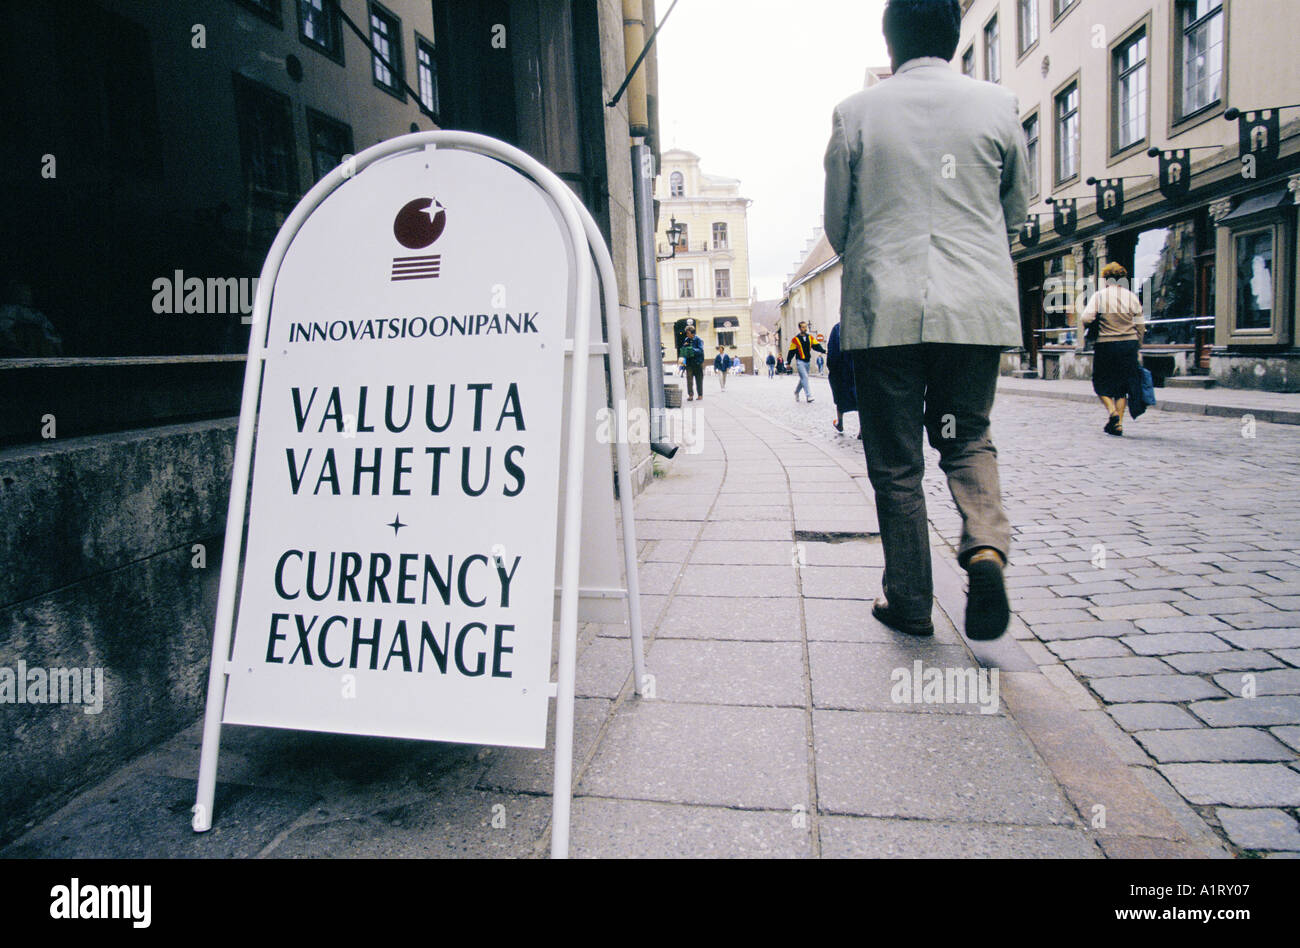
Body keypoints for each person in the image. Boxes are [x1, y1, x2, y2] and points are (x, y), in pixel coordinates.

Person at [823, 0, 1029, 641]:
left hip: (887, 312)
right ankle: (986, 549)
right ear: (955, 35)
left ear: (890, 45)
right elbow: (1015, 212)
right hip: (972, 308)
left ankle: (910, 601)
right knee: (967, 437)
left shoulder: (856, 113)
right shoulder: (999, 106)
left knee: (896, 465)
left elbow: (838, 225)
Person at [1081, 262, 1145, 436]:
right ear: (1122, 278)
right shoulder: (1132, 297)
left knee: (1101, 382)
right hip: (1128, 345)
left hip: (1106, 344)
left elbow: (1086, 318)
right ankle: (1119, 425)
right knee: (1122, 386)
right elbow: (1140, 324)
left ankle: (1113, 413)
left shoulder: (1100, 296)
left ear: (1105, 279)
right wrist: (1138, 343)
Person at [826, 322, 861, 438]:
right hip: (857, 368)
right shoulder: (860, 326)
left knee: (840, 395)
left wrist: (831, 368)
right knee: (861, 397)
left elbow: (832, 352)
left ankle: (840, 422)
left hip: (841, 369)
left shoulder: (837, 328)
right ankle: (863, 428)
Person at [786, 321, 826, 402]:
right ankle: (809, 396)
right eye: (803, 327)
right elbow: (791, 351)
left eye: (806, 327)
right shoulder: (795, 339)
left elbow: (816, 346)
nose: (805, 328)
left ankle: (796, 392)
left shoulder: (810, 338)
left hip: (807, 361)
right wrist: (788, 362)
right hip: (800, 361)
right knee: (805, 377)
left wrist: (824, 351)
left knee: (803, 379)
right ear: (800, 328)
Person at [680, 323, 705, 401]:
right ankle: (690, 395)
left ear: (692, 333)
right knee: (689, 380)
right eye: (686, 333)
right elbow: (684, 348)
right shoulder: (686, 340)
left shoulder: (698, 340)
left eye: (688, 333)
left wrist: (692, 349)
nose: (687, 335)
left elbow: (701, 350)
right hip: (689, 363)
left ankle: (700, 395)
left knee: (699, 379)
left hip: (698, 362)